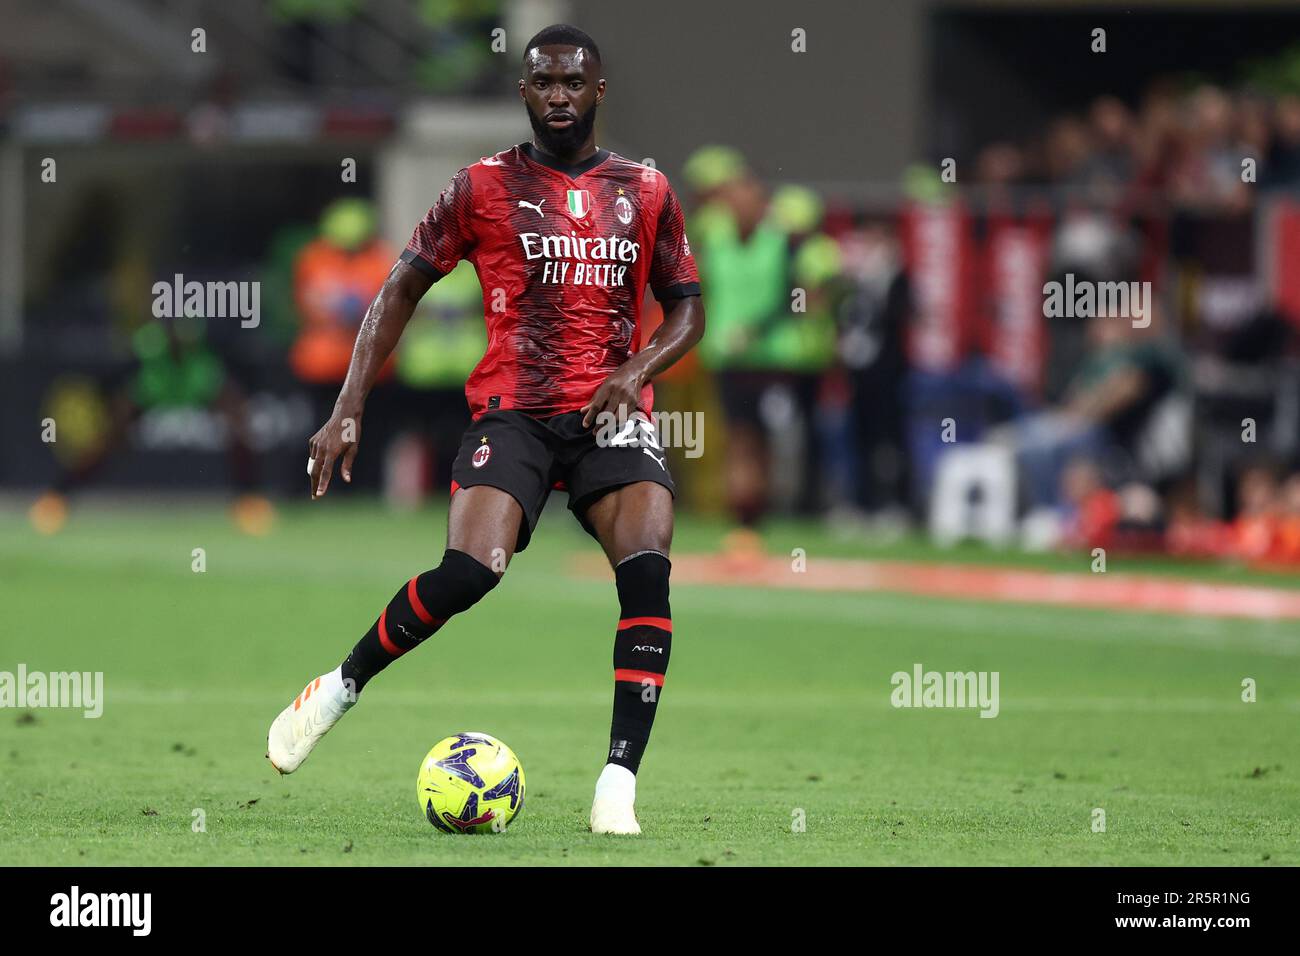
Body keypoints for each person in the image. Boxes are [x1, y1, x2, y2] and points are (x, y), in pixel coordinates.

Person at [265, 25, 705, 836]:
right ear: (524, 92)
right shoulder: (482, 186)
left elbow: (687, 307)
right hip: (514, 411)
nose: (560, 96)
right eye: (544, 82)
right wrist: (349, 403)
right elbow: (399, 288)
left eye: (575, 82)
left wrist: (636, 372)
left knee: (647, 571)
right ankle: (339, 685)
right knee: (471, 571)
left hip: (611, 411)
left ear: (599, 91)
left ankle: (617, 785)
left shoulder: (646, 189)